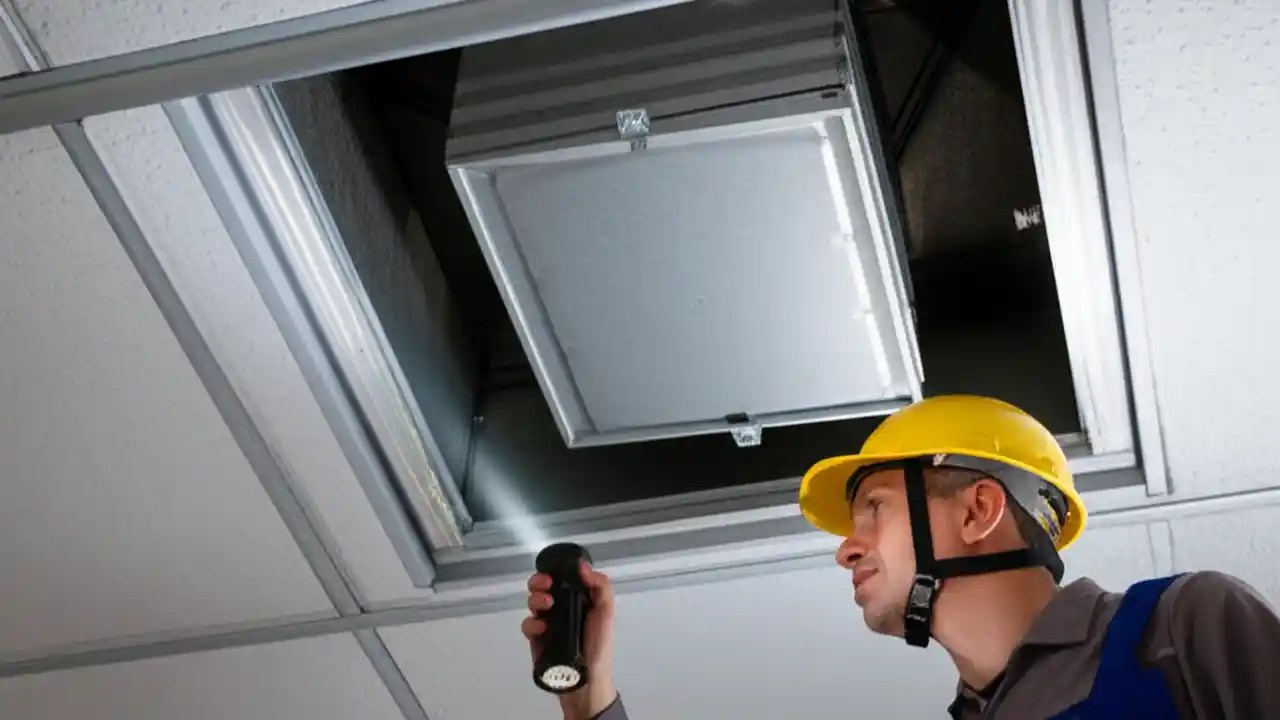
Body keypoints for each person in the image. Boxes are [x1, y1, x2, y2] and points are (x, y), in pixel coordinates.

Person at [522, 395, 1280, 719]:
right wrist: (590, 705)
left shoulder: (1178, 629)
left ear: (980, 510)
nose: (846, 547)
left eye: (873, 509)